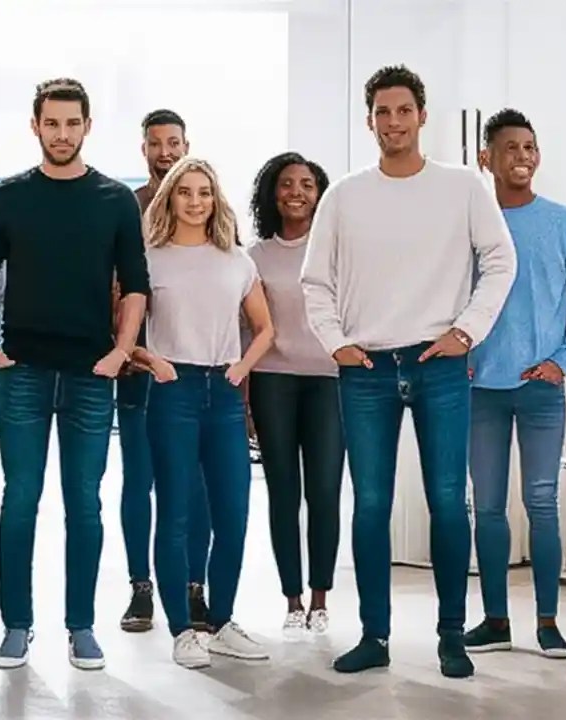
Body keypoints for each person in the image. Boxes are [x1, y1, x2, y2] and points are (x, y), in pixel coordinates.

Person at [300, 64, 517, 679]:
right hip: (365, 367)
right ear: (368, 121)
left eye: (403, 111)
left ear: (422, 115)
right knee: (369, 505)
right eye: (381, 113)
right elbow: (316, 281)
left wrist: (466, 330)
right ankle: (375, 636)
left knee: (450, 502)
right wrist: (336, 342)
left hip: (439, 363)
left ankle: (452, 636)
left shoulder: (463, 187)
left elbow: (501, 260)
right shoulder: (344, 195)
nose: (392, 122)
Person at [0, 77, 150, 671]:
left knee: (85, 504)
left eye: (73, 123)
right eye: (53, 123)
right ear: (36, 126)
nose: (62, 133)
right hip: (23, 370)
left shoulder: (115, 199)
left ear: (87, 127)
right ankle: (16, 626)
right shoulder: (11, 195)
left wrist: (121, 352)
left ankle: (81, 626)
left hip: (92, 372)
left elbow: (138, 285)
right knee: (19, 499)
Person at [464, 109, 566, 659]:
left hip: (543, 386)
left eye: (530, 147)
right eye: (510, 148)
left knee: (542, 503)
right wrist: (461, 354)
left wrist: (565, 358)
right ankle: (496, 620)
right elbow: (450, 294)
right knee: (489, 506)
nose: (522, 157)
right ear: (487, 158)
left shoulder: (565, 223)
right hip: (480, 389)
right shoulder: (472, 224)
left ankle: (548, 622)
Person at [137, 157, 274, 669]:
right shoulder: (149, 259)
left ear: (216, 200)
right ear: (168, 198)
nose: (195, 201)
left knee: (233, 515)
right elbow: (122, 332)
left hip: (223, 393)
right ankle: (181, 630)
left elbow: (264, 329)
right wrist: (154, 362)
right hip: (173, 392)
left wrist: (241, 370)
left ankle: (220, 621)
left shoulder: (236, 260)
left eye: (204, 192)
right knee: (174, 513)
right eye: (184, 192)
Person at [119, 109, 212, 634]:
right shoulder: (124, 209)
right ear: (145, 150)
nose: (165, 152)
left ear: (186, 144)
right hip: (138, 373)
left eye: (173, 142)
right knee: (140, 482)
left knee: (193, 486)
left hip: (197, 375)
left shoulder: (209, 208)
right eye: (155, 144)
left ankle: (193, 588)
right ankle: (141, 589)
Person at [244, 152, 343, 639]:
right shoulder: (255, 256)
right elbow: (248, 329)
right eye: (287, 183)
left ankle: (321, 599)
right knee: (283, 492)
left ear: (320, 193)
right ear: (272, 193)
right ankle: (292, 599)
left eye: (307, 183)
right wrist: (242, 393)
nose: (297, 192)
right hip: (272, 380)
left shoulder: (337, 250)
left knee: (324, 491)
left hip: (330, 382)